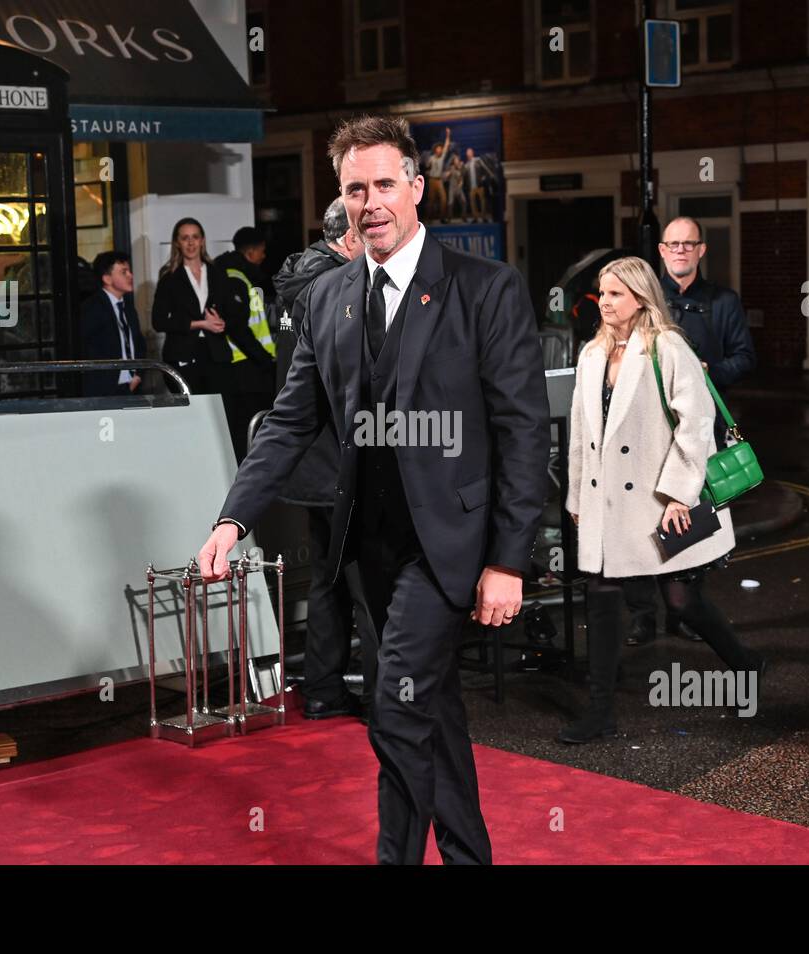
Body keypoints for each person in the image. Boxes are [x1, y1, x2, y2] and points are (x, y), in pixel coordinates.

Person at [197, 115, 550, 864]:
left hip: (450, 547)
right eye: (356, 189)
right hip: (371, 551)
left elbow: (523, 433)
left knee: (395, 707)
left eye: (385, 184)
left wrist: (512, 560)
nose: (371, 202)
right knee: (434, 714)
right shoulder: (327, 301)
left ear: (416, 188)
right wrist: (233, 522)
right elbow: (288, 425)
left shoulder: (484, 290)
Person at [559, 256, 764, 744]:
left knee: (681, 599)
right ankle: (601, 710)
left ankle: (745, 664)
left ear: (641, 297)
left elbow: (696, 424)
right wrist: (576, 493)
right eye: (602, 294)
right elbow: (581, 433)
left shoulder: (667, 347)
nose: (604, 303)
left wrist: (679, 494)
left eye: (614, 294)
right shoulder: (591, 354)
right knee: (603, 595)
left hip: (660, 500)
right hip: (608, 504)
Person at [624, 215, 756, 647]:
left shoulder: (724, 301)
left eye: (689, 244)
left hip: (699, 433)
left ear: (701, 250)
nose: (680, 250)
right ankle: (642, 616)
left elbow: (744, 358)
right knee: (640, 524)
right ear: (661, 251)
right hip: (645, 432)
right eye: (672, 244)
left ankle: (683, 611)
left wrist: (707, 372)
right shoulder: (642, 297)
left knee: (692, 523)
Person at [271, 198, 374, 719]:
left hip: (309, 462)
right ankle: (388, 698)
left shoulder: (293, 282)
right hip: (342, 459)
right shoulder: (339, 289)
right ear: (350, 240)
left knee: (329, 579)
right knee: (370, 582)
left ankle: (322, 690)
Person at [150, 217, 240, 397]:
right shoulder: (169, 278)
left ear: (202, 240)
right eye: (185, 238)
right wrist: (198, 324)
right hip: (182, 355)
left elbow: (235, 314)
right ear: (177, 243)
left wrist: (221, 323)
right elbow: (158, 322)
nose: (190, 243)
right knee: (191, 413)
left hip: (217, 354)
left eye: (195, 237)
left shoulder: (218, 273)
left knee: (220, 413)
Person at [216, 226, 279, 463]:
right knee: (247, 428)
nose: (263, 256)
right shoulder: (235, 278)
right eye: (261, 251)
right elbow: (238, 328)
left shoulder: (239, 275)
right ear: (251, 252)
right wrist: (264, 358)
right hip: (244, 367)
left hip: (248, 364)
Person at [80, 251, 146, 397]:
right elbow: (88, 349)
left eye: (129, 271)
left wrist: (138, 375)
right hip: (105, 389)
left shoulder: (127, 306)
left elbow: (138, 342)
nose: (130, 275)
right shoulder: (92, 308)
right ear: (107, 279)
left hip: (132, 385)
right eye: (124, 272)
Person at [423, 127, 451, 221]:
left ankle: (442, 217)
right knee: (431, 200)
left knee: (444, 199)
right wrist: (427, 171)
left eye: (441, 149)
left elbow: (446, 145)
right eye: (438, 149)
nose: (440, 150)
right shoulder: (431, 158)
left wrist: (448, 135)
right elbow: (427, 167)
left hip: (439, 180)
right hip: (432, 180)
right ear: (435, 150)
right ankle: (428, 218)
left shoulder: (442, 157)